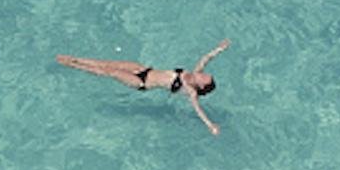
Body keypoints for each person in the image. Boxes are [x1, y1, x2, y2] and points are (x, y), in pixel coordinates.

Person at [56, 39, 230, 136]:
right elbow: (205, 58)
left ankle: (73, 65)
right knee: (108, 63)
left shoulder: (191, 92)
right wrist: (219, 49)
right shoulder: (195, 72)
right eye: (205, 74)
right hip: (143, 69)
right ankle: (74, 58)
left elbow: (198, 110)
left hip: (141, 82)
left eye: (205, 78)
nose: (204, 74)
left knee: (109, 72)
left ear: (201, 85)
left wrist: (210, 125)